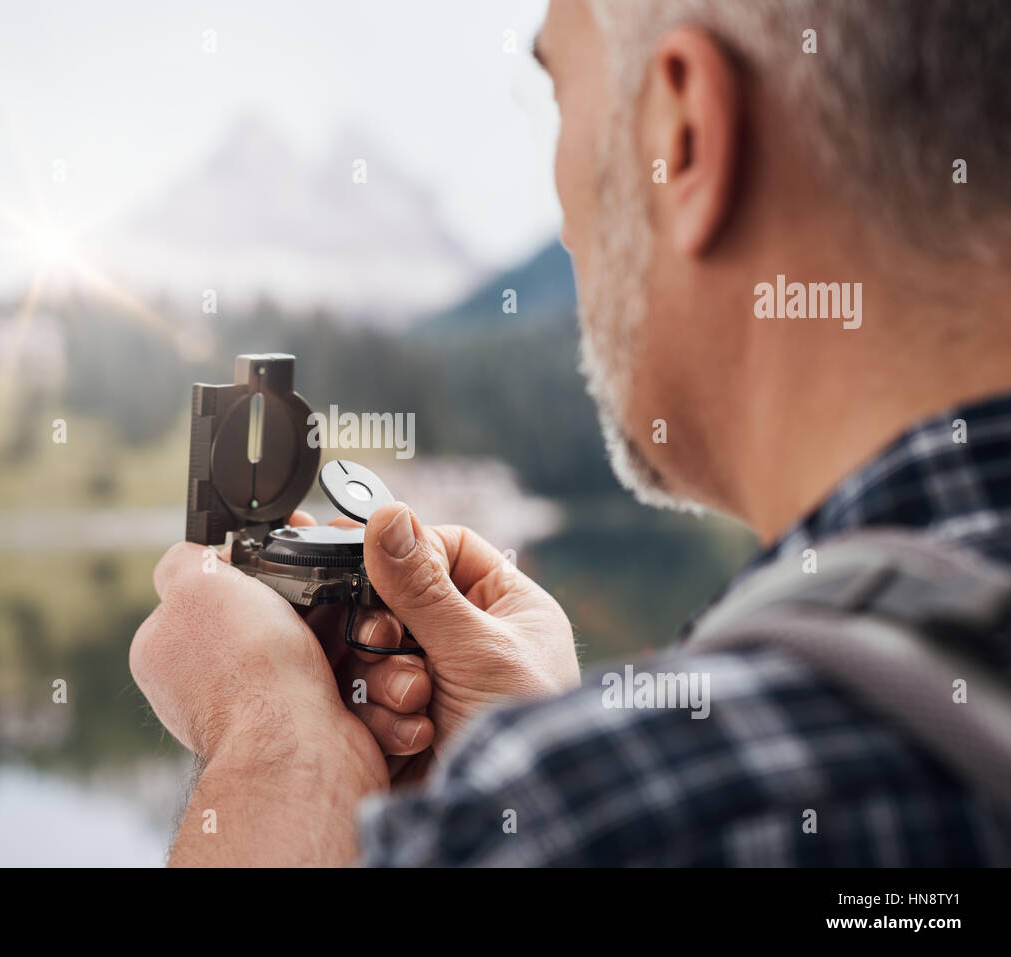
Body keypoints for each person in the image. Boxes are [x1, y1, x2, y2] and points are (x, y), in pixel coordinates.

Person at [129, 0, 1011, 865]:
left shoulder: (602, 821)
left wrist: (279, 748)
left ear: (684, 134)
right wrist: (532, 740)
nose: (565, 222)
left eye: (558, 99)